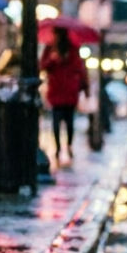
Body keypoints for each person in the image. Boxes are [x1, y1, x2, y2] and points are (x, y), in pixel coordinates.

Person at [39, 27, 88, 166]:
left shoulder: (72, 49)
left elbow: (79, 68)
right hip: (56, 91)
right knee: (56, 122)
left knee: (69, 122)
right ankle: (59, 148)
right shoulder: (50, 49)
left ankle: (69, 146)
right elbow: (42, 65)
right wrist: (52, 60)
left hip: (69, 91)